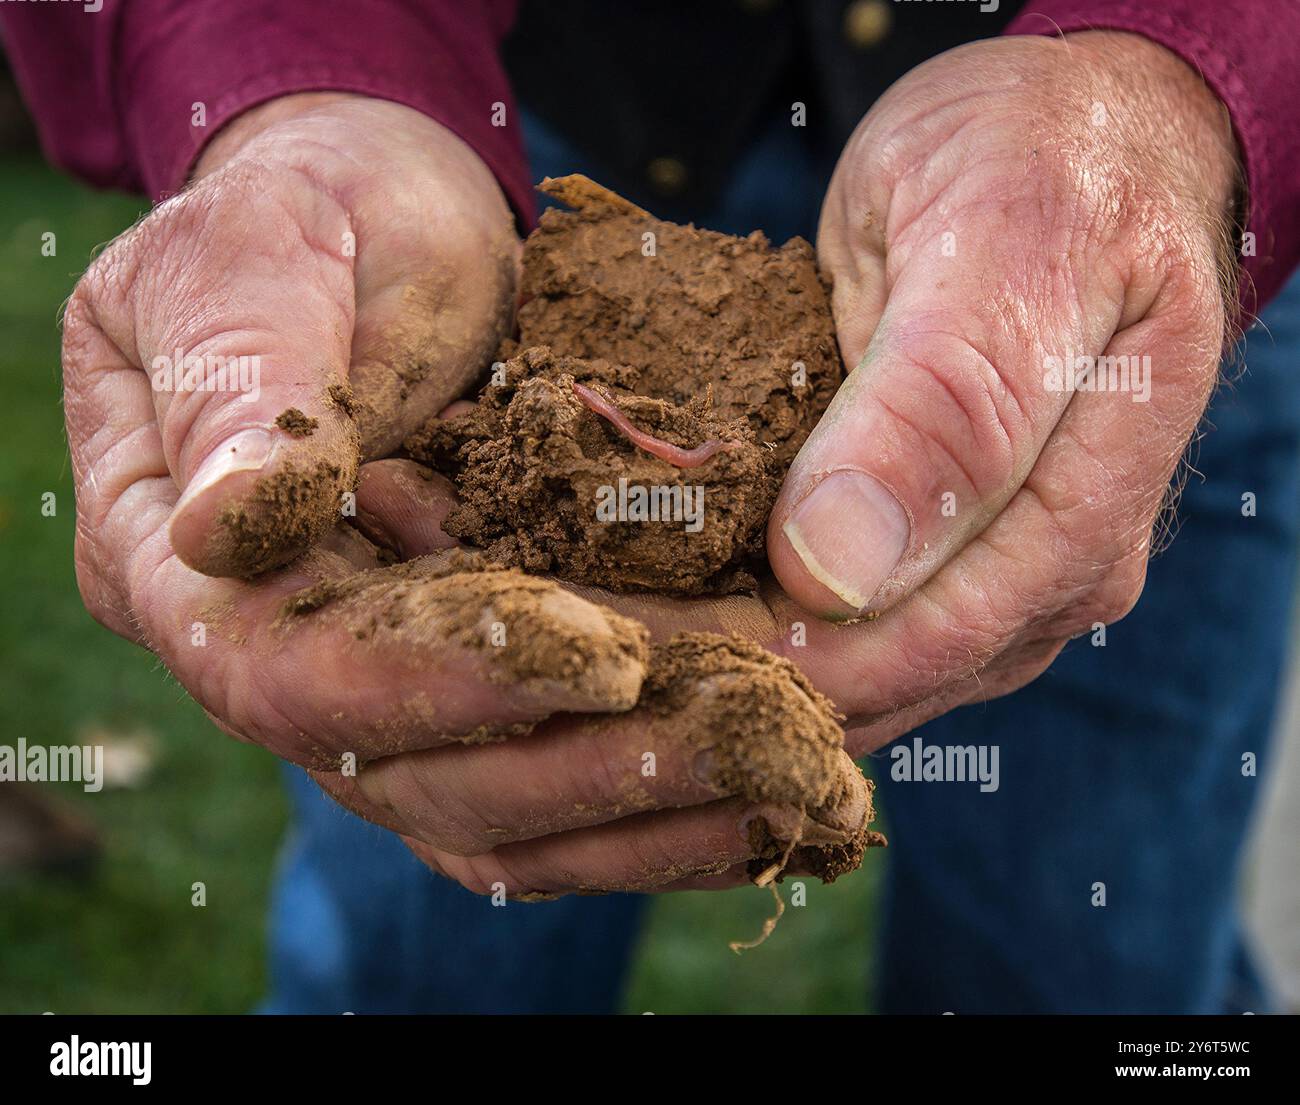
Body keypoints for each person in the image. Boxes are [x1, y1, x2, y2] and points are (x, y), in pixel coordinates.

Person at [3, 0, 1298, 1013]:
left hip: (1107, 218)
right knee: (423, 945)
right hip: (530, 130)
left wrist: (1185, 85)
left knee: (1087, 960)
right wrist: (302, 89)